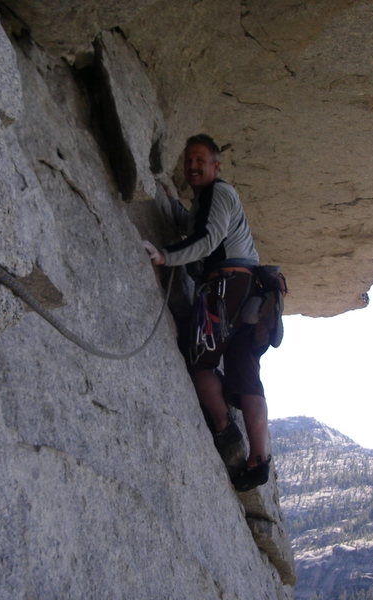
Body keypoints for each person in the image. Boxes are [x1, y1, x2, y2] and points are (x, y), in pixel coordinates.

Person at [143, 134, 276, 492]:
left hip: (227, 287)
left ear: (216, 166)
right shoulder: (210, 199)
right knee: (246, 372)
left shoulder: (219, 193)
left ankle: (224, 429)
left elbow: (207, 240)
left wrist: (164, 257)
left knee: (200, 361)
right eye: (189, 161)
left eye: (201, 160)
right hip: (251, 293)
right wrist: (173, 202)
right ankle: (259, 459)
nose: (193, 166)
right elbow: (196, 227)